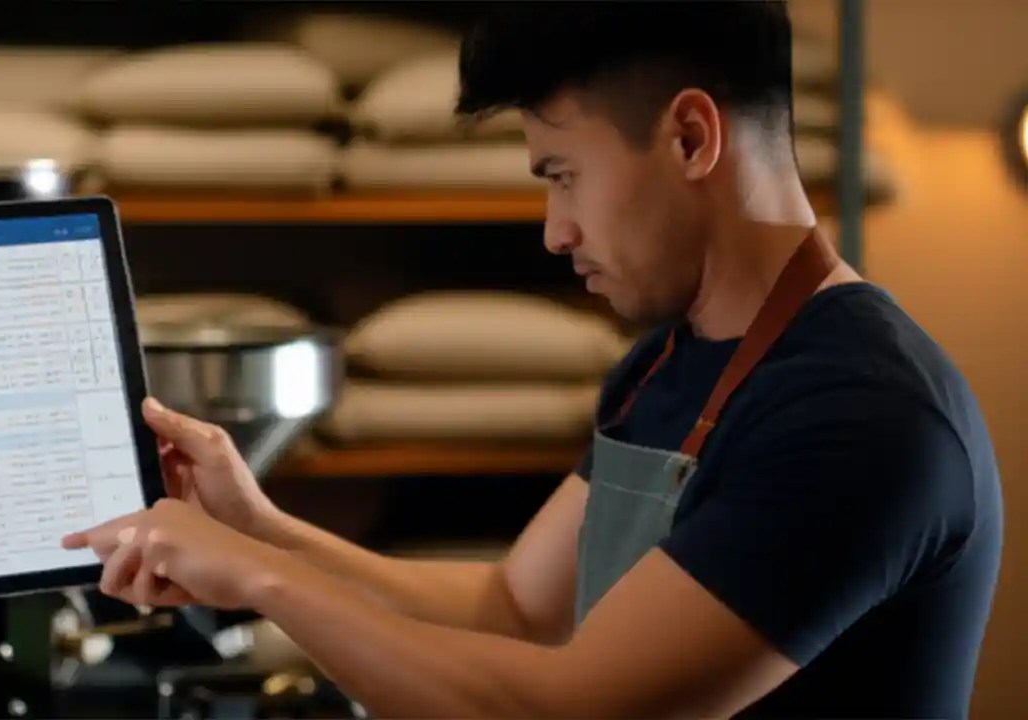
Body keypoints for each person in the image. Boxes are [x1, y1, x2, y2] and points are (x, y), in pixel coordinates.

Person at [63, 2, 1004, 717]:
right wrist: (262, 528)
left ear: (690, 137)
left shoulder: (858, 415)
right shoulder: (665, 367)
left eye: (564, 175)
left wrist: (254, 578)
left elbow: (571, 707)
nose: (556, 231)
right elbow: (513, 608)